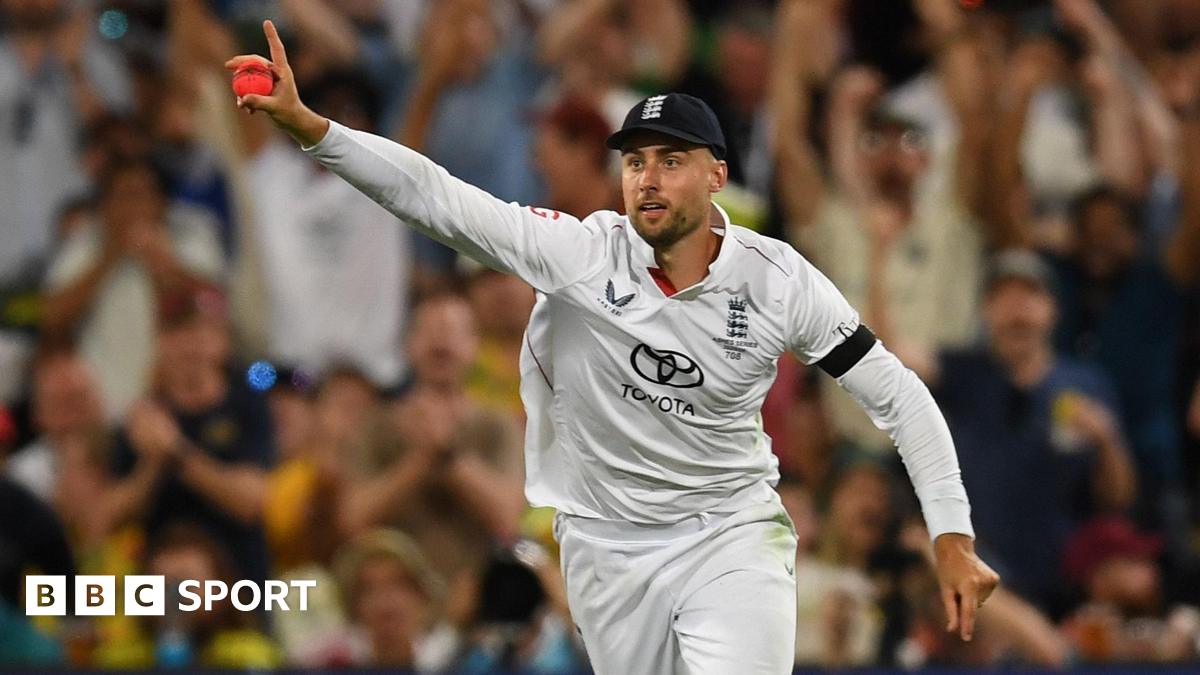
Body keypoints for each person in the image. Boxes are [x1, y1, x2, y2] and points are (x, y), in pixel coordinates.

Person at [228, 21, 997, 674]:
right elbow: (437, 199)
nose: (648, 179)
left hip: (731, 530)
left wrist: (952, 535)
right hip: (605, 545)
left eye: (671, 160)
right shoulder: (582, 254)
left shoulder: (778, 281)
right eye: (635, 162)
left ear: (718, 175)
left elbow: (898, 395)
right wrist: (312, 129)